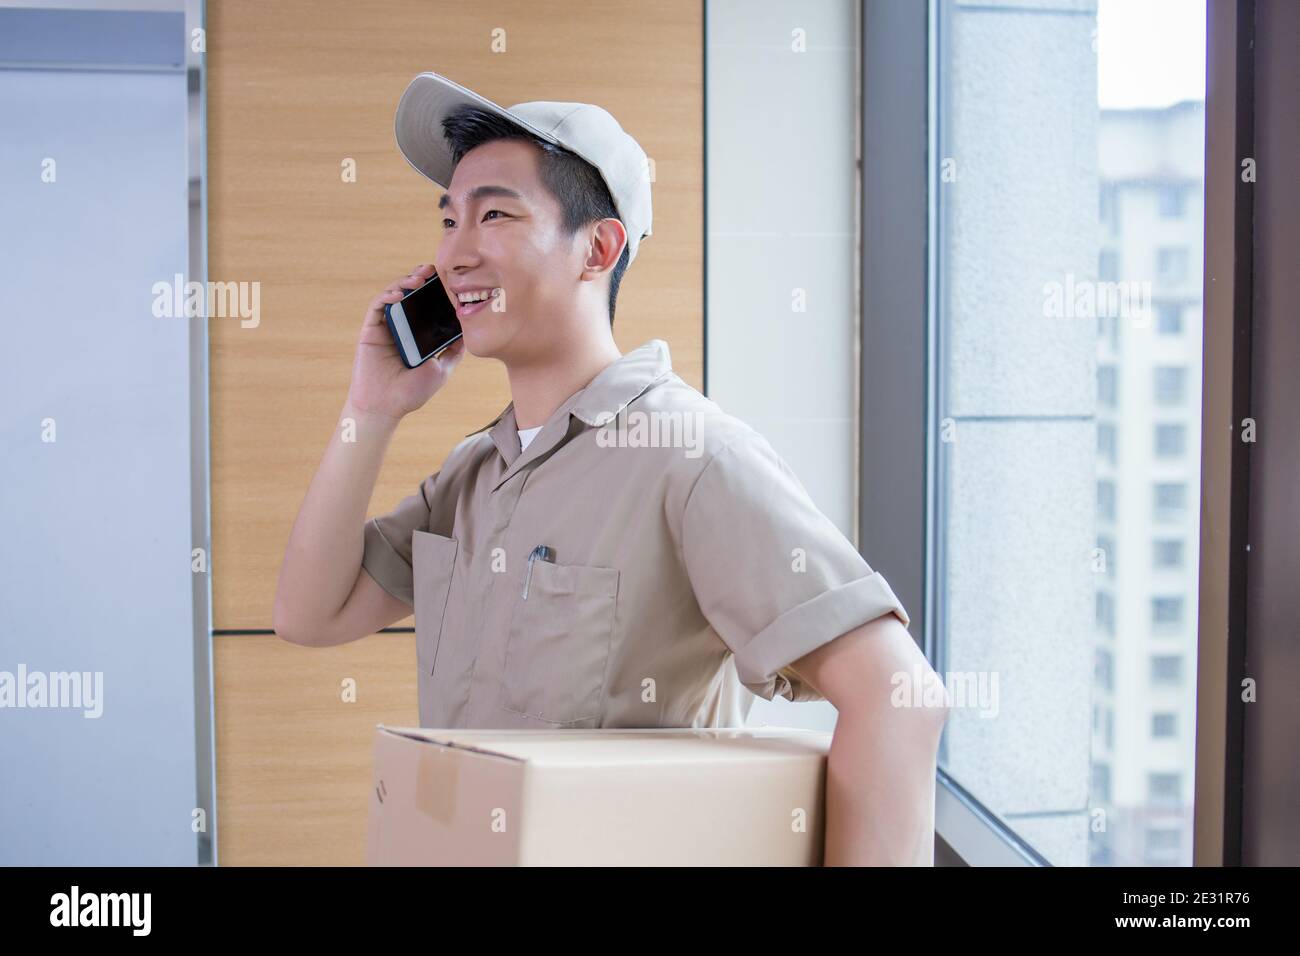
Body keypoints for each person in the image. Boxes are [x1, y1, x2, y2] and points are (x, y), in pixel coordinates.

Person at [274, 72, 948, 864]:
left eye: (494, 214)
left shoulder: (690, 456)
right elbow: (309, 615)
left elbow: (903, 699)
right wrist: (372, 409)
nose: (454, 252)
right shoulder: (473, 474)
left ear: (598, 248)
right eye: (449, 219)